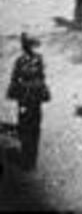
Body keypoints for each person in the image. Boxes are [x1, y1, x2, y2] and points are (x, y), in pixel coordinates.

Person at [7, 32, 50, 171]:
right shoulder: (38, 59)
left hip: (26, 99)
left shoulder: (21, 61)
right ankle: (30, 160)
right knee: (32, 128)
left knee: (28, 127)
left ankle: (28, 160)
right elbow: (41, 78)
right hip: (32, 98)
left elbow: (15, 79)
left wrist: (14, 92)